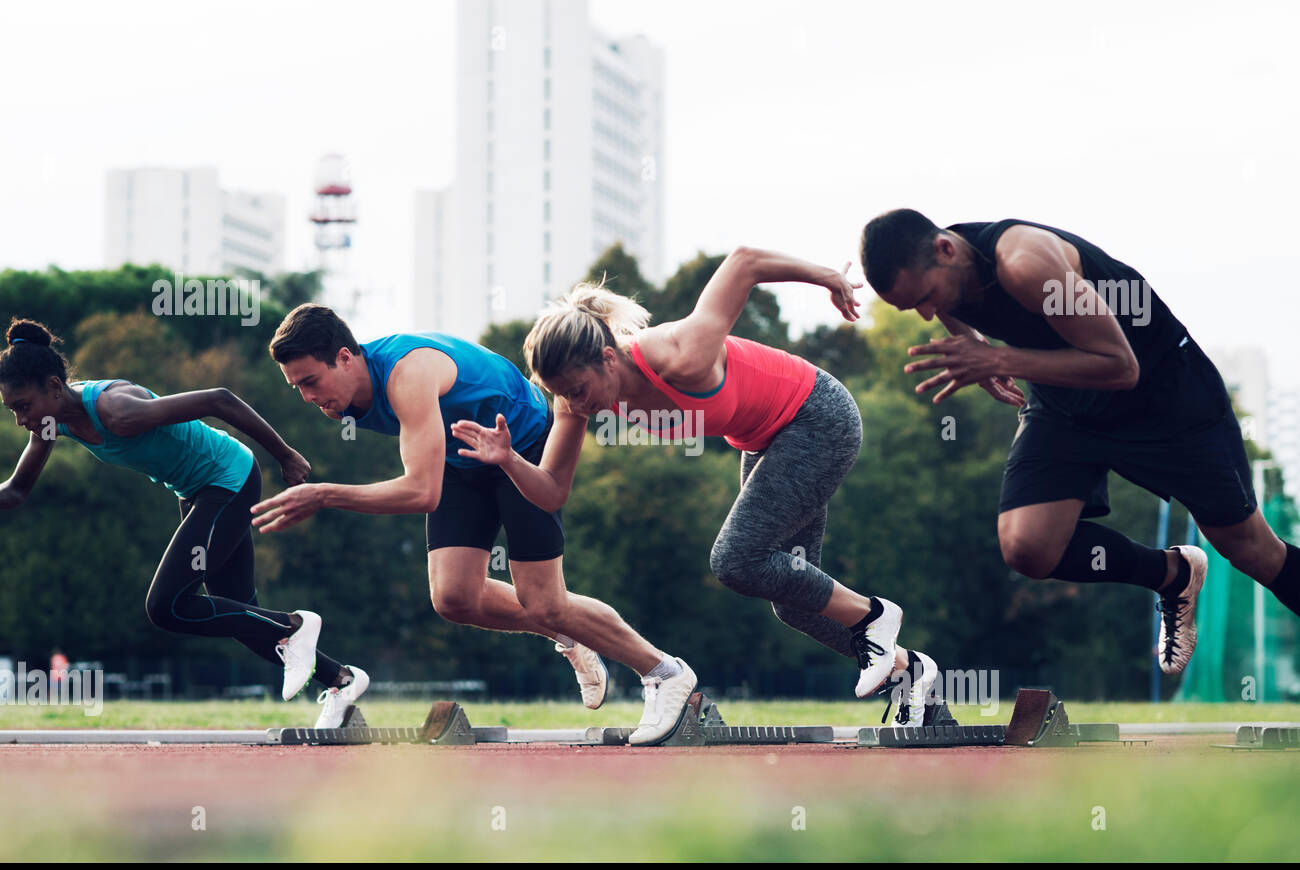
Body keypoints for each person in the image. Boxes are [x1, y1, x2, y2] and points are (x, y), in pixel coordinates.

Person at [452, 248, 939, 725]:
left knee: (736, 559)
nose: (574, 406)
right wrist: (511, 460)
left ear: (607, 358)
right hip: (767, 440)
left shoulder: (678, 354)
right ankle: (909, 674)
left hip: (817, 417)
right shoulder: (573, 402)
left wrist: (827, 276)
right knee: (793, 601)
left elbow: (745, 262)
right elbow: (552, 492)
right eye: (561, 395)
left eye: (578, 391)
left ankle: (874, 615)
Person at [860, 210, 1300, 673]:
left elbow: (1120, 366)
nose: (929, 313)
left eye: (928, 297)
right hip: (1066, 403)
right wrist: (976, 352)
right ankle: (1172, 575)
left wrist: (996, 358)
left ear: (946, 249)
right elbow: (957, 314)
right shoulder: (943, 271)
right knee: (1027, 547)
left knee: (1251, 550)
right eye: (915, 308)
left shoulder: (1026, 264)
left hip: (1164, 396)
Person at [255, 305, 697, 744]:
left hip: (520, 445)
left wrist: (324, 494)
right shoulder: (342, 402)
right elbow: (427, 469)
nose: (309, 398)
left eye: (311, 381)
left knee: (544, 601)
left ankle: (664, 671)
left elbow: (421, 493)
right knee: (454, 598)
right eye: (297, 388)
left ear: (347, 357)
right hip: (461, 459)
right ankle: (569, 634)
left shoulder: (407, 375)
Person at [0, 319, 368, 727]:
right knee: (241, 617)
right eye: (12, 409)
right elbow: (16, 491)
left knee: (168, 605)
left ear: (54, 386)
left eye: (23, 406)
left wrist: (284, 455)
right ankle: (342, 680)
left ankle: (295, 624)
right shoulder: (52, 421)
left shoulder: (116, 410)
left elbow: (219, 399)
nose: (20, 420)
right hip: (195, 492)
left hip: (228, 479)